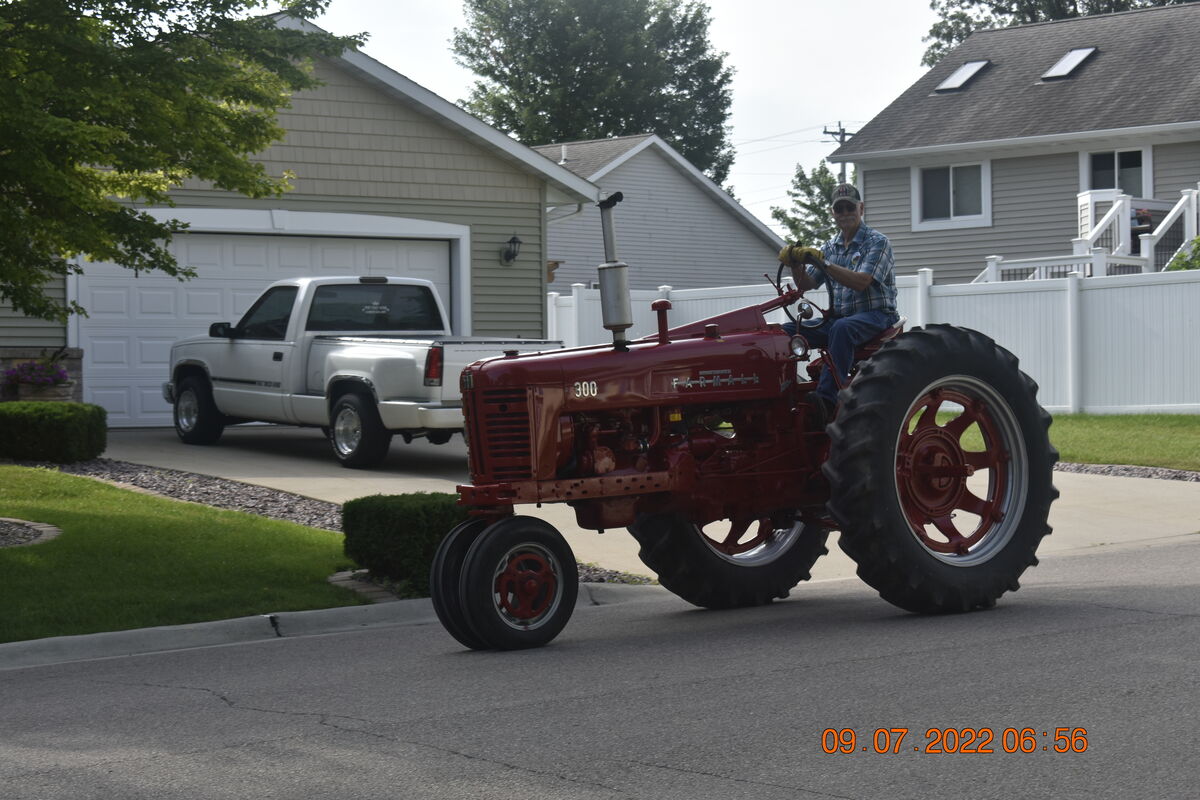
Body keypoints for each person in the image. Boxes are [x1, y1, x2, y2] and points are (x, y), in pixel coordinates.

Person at [779, 183, 899, 422]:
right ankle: (784, 396)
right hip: (839, 319)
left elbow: (862, 282)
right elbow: (806, 284)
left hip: (877, 316)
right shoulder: (829, 247)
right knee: (783, 333)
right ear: (832, 213)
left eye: (849, 207)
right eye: (839, 208)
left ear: (861, 209)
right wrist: (795, 264)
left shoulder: (878, 242)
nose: (845, 213)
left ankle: (826, 401)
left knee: (841, 328)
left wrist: (824, 263)